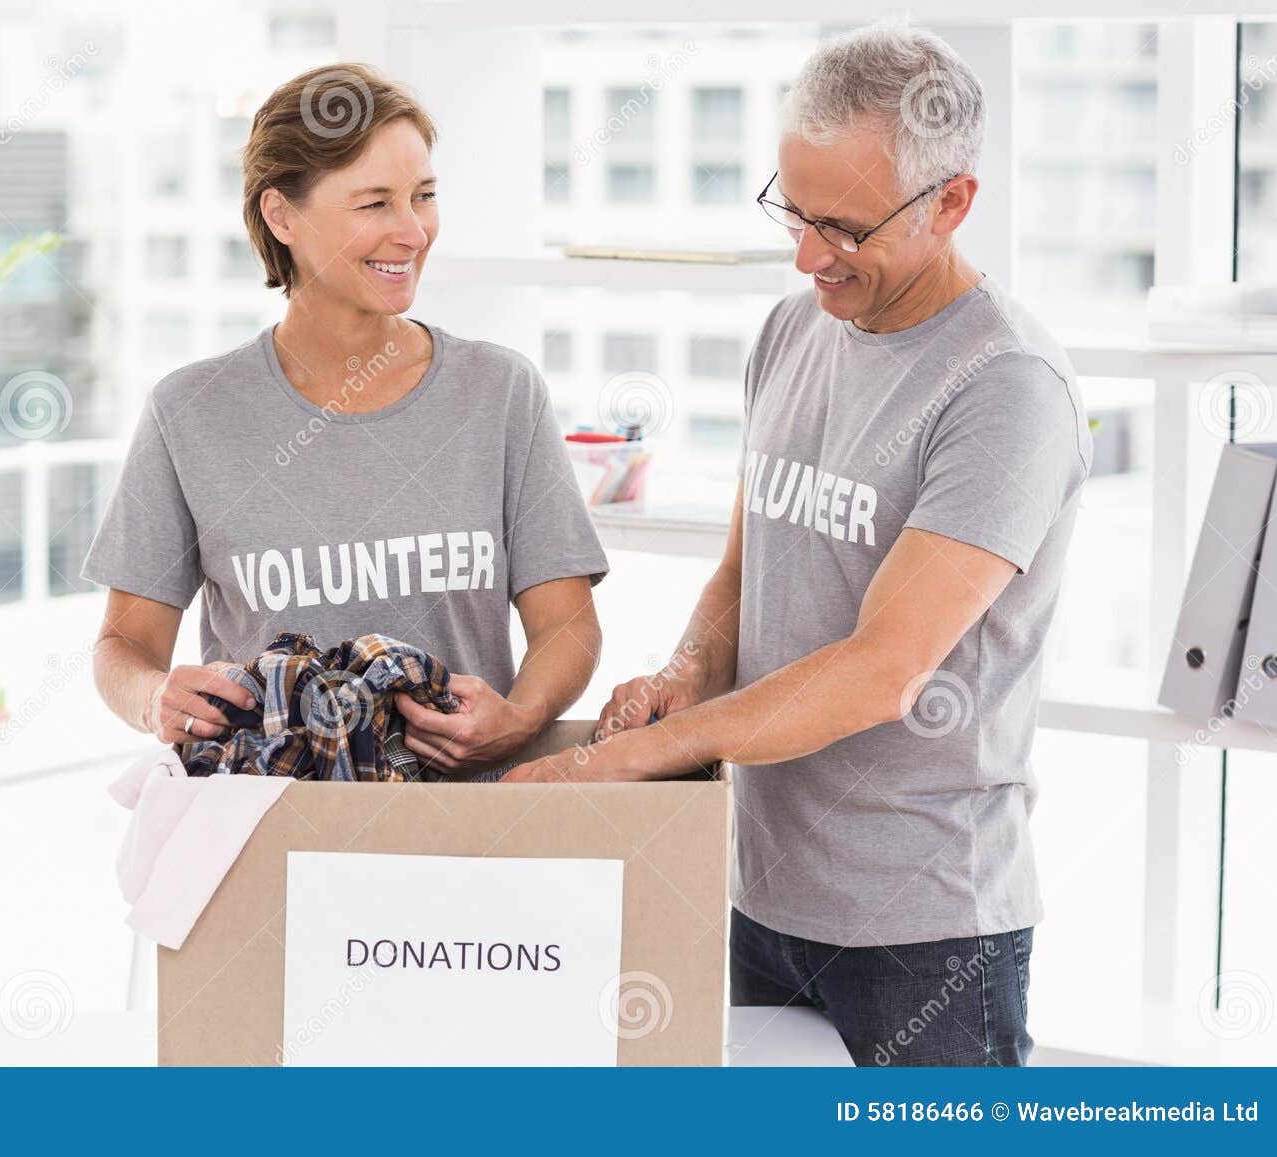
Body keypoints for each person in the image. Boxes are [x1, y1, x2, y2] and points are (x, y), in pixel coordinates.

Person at [505, 23, 1092, 1067]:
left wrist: (634, 754)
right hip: (759, 897)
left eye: (844, 227)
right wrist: (687, 671)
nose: (806, 253)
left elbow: (881, 669)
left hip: (928, 933)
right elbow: (745, 568)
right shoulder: (792, 329)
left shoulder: (1003, 389)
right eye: (790, 208)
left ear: (951, 202)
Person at [83, 63, 606, 774]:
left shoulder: (503, 393)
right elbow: (123, 646)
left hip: (472, 840)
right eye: (374, 204)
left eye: (424, 196)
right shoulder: (191, 413)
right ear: (281, 216)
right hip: (267, 841)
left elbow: (567, 624)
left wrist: (521, 716)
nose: (413, 231)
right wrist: (153, 698)